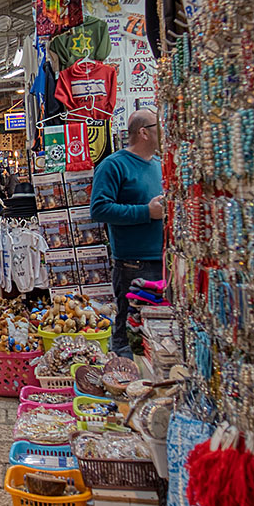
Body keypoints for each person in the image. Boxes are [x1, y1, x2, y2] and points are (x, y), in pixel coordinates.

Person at [89, 108, 164, 357]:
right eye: (157, 126)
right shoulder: (113, 166)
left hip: (164, 262)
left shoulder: (160, 165)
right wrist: (146, 212)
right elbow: (99, 209)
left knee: (159, 335)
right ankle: (124, 382)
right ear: (144, 132)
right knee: (129, 334)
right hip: (134, 264)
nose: (163, 131)